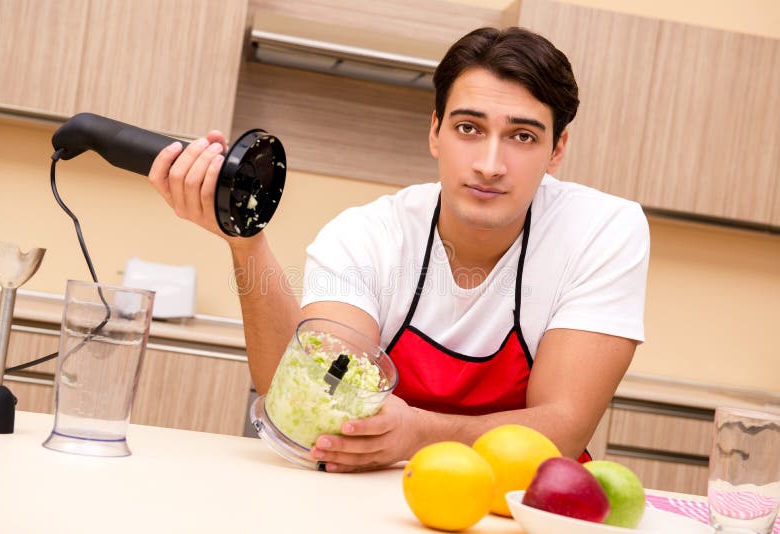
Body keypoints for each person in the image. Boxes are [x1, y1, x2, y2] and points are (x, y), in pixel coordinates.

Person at [147, 26, 649, 473]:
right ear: (435, 132)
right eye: (468, 128)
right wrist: (245, 240)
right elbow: (310, 392)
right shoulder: (368, 235)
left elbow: (561, 431)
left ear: (556, 150)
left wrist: (420, 431)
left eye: (522, 135)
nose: (490, 164)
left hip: (527, 504)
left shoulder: (600, 231)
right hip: (382, 497)